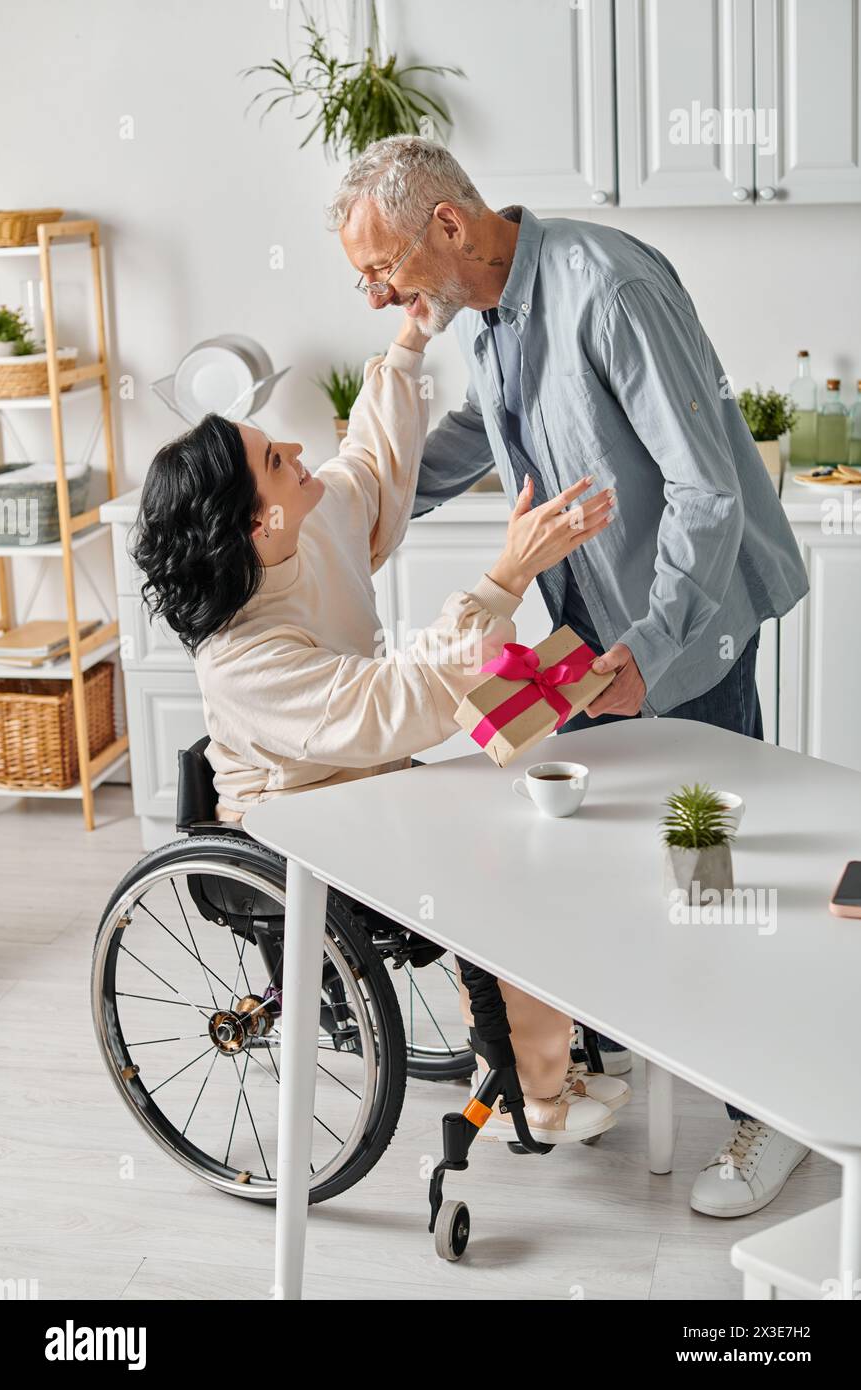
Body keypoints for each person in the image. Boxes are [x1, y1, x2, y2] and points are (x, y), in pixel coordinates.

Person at [331, 135, 811, 1219]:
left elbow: (704, 496)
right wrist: (361, 493)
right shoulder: (494, 313)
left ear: (447, 227)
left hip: (684, 635)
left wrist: (650, 651)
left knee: (710, 881)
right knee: (608, 872)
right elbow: (488, 442)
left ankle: (771, 1112)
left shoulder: (608, 289)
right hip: (591, 643)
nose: (377, 296)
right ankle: (627, 1052)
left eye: (383, 267)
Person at [131, 316, 623, 1146]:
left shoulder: (303, 522)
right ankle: (536, 1093)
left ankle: (533, 1041)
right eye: (275, 461)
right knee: (500, 863)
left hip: (369, 763)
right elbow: (393, 701)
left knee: (532, 821)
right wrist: (505, 576)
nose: (295, 450)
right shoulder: (242, 658)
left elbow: (371, 464)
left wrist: (409, 344)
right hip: (301, 812)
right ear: (257, 524)